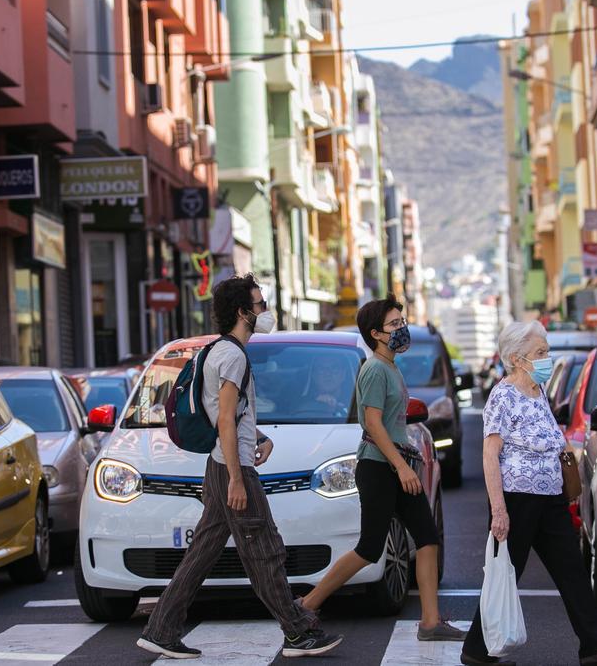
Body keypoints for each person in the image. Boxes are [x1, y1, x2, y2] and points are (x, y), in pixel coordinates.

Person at [138, 274, 342, 660]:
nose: (265, 311)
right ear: (242, 312)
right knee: (264, 550)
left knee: (202, 553)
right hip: (231, 468)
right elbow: (226, 421)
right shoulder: (232, 355)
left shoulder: (217, 351)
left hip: (221, 465)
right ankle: (297, 632)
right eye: (260, 304)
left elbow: (229, 415)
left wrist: (258, 437)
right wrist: (236, 477)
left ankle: (161, 628)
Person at [463, 321, 597, 666]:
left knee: (571, 569)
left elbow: (556, 440)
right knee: (505, 572)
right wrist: (498, 510)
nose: (547, 358)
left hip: (550, 499)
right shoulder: (503, 394)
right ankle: (477, 650)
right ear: (517, 358)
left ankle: (595, 645)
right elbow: (490, 454)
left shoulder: (538, 393)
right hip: (517, 499)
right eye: (540, 353)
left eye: (546, 351)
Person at [300, 296, 466, 642]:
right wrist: (401, 468)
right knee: (369, 548)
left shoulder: (390, 366)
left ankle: (431, 622)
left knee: (426, 538)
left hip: (392, 464)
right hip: (379, 468)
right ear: (375, 333)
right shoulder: (375, 368)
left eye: (401, 321)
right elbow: (373, 425)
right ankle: (306, 605)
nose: (401, 328)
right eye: (394, 324)